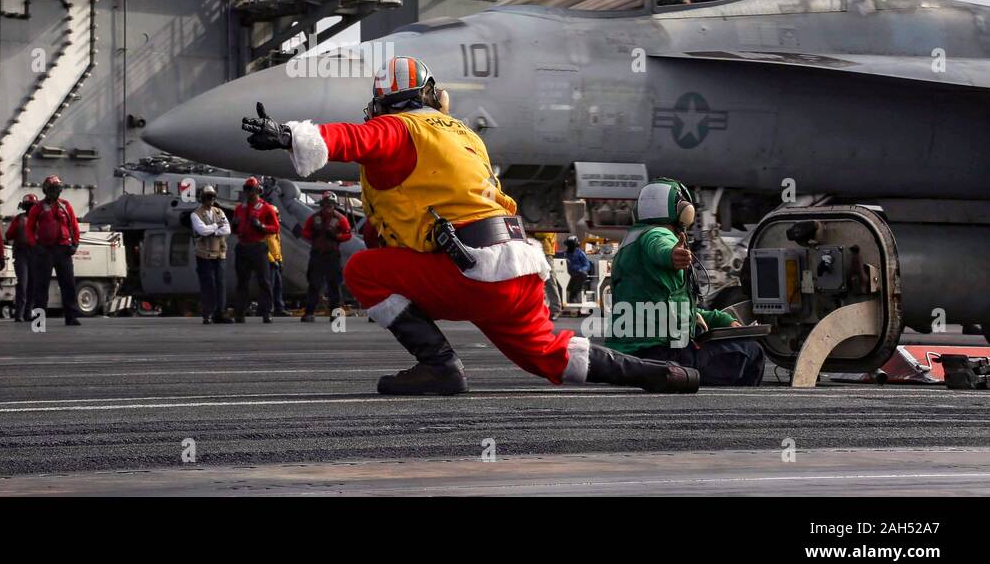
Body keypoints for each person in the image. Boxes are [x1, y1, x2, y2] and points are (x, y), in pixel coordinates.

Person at [243, 55, 700, 395]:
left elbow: (354, 137)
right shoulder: (464, 134)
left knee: (363, 271)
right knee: (550, 356)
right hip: (517, 271)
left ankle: (440, 366)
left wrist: (290, 135)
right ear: (432, 95)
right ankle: (662, 374)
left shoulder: (401, 128)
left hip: (468, 271)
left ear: (385, 103)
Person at [606, 179, 765, 387]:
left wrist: (721, 320)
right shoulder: (658, 233)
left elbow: (671, 303)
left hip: (628, 355)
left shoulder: (632, 239)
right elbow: (659, 246)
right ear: (682, 210)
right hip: (662, 355)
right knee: (752, 351)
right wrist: (673, 255)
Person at [25, 175, 82, 326]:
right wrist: (34, 245)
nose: (54, 192)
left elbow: (74, 226)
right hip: (44, 250)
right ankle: (39, 320)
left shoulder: (65, 205)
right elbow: (29, 228)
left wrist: (75, 244)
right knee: (41, 286)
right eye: (52, 189)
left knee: (68, 284)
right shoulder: (37, 207)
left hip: (63, 249)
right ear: (46, 190)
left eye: (56, 189)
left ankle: (71, 317)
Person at [230, 177, 279, 324]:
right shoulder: (240, 208)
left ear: (258, 190)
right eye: (246, 189)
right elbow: (234, 230)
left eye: (251, 189)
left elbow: (276, 228)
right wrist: (235, 226)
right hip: (243, 247)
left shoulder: (266, 208)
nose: (248, 193)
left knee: (264, 281)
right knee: (242, 282)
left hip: (258, 246)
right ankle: (240, 312)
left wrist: (262, 227)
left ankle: (267, 312)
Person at [300, 191, 352, 322]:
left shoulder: (340, 219)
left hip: (332, 256)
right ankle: (309, 312)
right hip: (317, 255)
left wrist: (336, 237)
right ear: (322, 204)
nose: (328, 206)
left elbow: (348, 234)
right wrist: (312, 235)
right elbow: (305, 231)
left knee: (334, 285)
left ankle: (335, 313)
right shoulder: (314, 218)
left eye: (330, 204)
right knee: (314, 284)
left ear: (334, 205)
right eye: (326, 204)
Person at [190, 185, 231, 324]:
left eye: (213, 196)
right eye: (208, 197)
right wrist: (216, 227)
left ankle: (220, 312)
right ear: (202, 198)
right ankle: (207, 313)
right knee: (208, 284)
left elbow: (227, 229)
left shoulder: (219, 212)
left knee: (221, 283)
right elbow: (202, 231)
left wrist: (214, 230)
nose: (211, 199)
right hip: (204, 255)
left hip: (219, 254)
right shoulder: (195, 214)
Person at [6, 194, 38, 322]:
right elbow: (9, 235)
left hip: (35, 254)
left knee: (32, 285)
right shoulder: (19, 219)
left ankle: (27, 313)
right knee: (23, 284)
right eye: (29, 206)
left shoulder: (40, 219)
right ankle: (19, 314)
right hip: (22, 254)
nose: (30, 208)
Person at [265, 203, 289, 317]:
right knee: (269, 286)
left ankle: (279, 308)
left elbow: (278, 247)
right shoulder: (265, 230)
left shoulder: (275, 231)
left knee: (278, 286)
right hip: (269, 262)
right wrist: (272, 260)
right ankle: (268, 308)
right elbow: (264, 247)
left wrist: (280, 260)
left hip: (277, 261)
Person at [535, 231, 562, 320]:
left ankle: (555, 310)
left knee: (550, 282)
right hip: (534, 251)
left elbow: (542, 234)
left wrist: (529, 233)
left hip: (546, 253)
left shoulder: (548, 223)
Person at [564, 236, 593, 307]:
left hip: (578, 273)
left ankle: (573, 296)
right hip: (567, 274)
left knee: (581, 275)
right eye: (569, 245)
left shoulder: (580, 253)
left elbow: (587, 265)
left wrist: (580, 270)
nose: (570, 247)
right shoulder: (565, 254)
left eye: (572, 245)